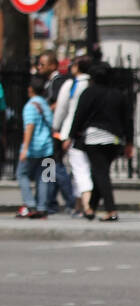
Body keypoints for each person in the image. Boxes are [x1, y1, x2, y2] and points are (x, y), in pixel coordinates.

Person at [69, 62, 134, 222]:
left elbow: (79, 115)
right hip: (114, 139)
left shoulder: (89, 93)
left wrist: (72, 135)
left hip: (94, 137)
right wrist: (129, 141)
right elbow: (128, 119)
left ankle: (111, 209)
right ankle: (90, 207)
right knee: (99, 172)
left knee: (100, 173)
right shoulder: (119, 94)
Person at [35, 50, 77, 212]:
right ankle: (49, 201)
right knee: (50, 165)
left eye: (42, 64)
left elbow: (61, 104)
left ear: (53, 65)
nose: (39, 67)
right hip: (51, 130)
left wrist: (43, 109)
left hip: (56, 130)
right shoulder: (50, 82)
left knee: (55, 165)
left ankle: (71, 201)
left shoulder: (58, 81)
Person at [53, 56, 94, 218]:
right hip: (91, 131)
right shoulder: (92, 84)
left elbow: (61, 109)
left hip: (72, 132)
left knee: (78, 169)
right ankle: (78, 205)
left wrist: (56, 127)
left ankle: (85, 204)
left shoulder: (71, 85)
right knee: (83, 168)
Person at [15, 74, 55, 219]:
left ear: (30, 89)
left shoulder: (30, 106)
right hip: (47, 148)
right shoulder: (45, 105)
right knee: (43, 177)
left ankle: (30, 204)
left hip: (33, 148)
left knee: (21, 174)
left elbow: (29, 127)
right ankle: (42, 207)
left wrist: (25, 149)